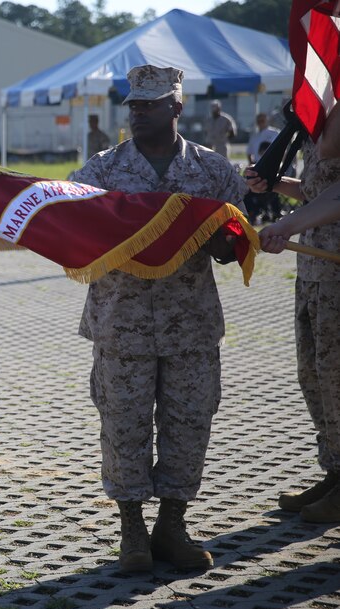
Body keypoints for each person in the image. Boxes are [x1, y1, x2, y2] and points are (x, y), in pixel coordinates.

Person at [69, 65, 247, 574]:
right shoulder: (101, 172)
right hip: (120, 323)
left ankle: (172, 526)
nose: (138, 112)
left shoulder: (212, 171)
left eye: (150, 104)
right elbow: (74, 229)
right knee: (123, 426)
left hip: (189, 324)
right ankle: (132, 533)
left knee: (189, 424)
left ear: (176, 107)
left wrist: (221, 239)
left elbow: (236, 241)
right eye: (134, 104)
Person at [249, 138, 340, 523]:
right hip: (313, 270)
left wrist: (285, 224)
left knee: (337, 378)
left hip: (336, 269)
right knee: (315, 376)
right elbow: (318, 191)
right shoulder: (316, 122)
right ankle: (334, 472)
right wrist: (276, 183)